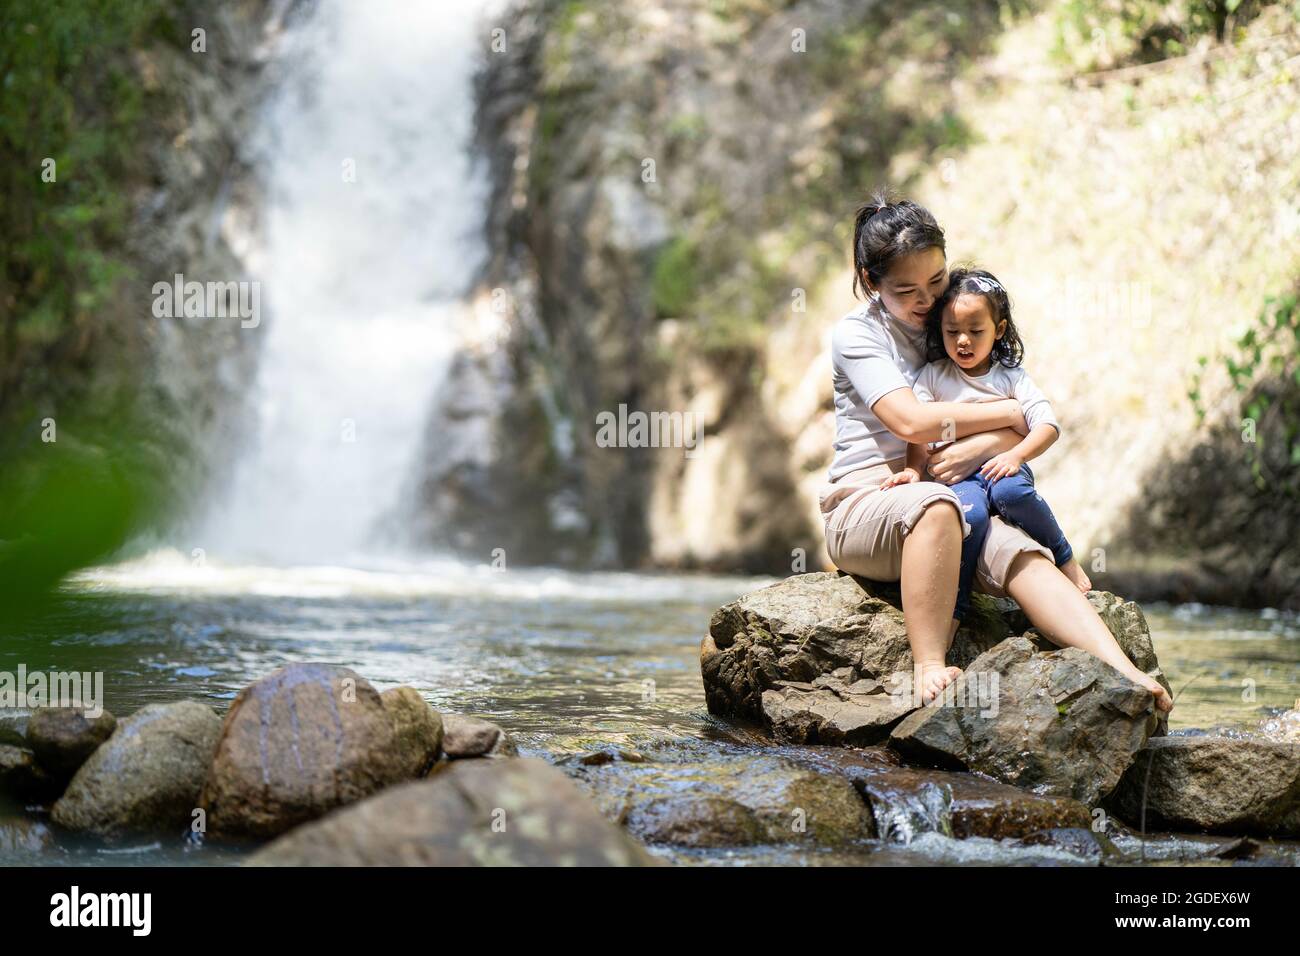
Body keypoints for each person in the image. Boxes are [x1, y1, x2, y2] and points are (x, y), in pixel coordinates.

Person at [822, 192, 1172, 712]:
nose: (926, 300)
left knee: (1020, 553)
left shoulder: (955, 327)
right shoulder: (858, 334)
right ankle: (928, 665)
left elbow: (1027, 429)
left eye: (936, 281)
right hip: (866, 507)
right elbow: (912, 421)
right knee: (935, 508)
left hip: (957, 499)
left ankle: (1127, 674)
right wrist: (1007, 415)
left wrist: (996, 437)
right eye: (906, 290)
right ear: (872, 282)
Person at [881, 266, 1092, 632]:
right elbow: (918, 431)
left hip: (1003, 468)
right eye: (952, 332)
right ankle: (955, 609)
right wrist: (914, 470)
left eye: (975, 331)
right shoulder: (933, 376)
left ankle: (1065, 557)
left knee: (1014, 492)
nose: (963, 340)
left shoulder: (1011, 376)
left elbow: (1048, 425)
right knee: (970, 517)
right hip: (960, 480)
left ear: (999, 330)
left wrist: (1016, 455)